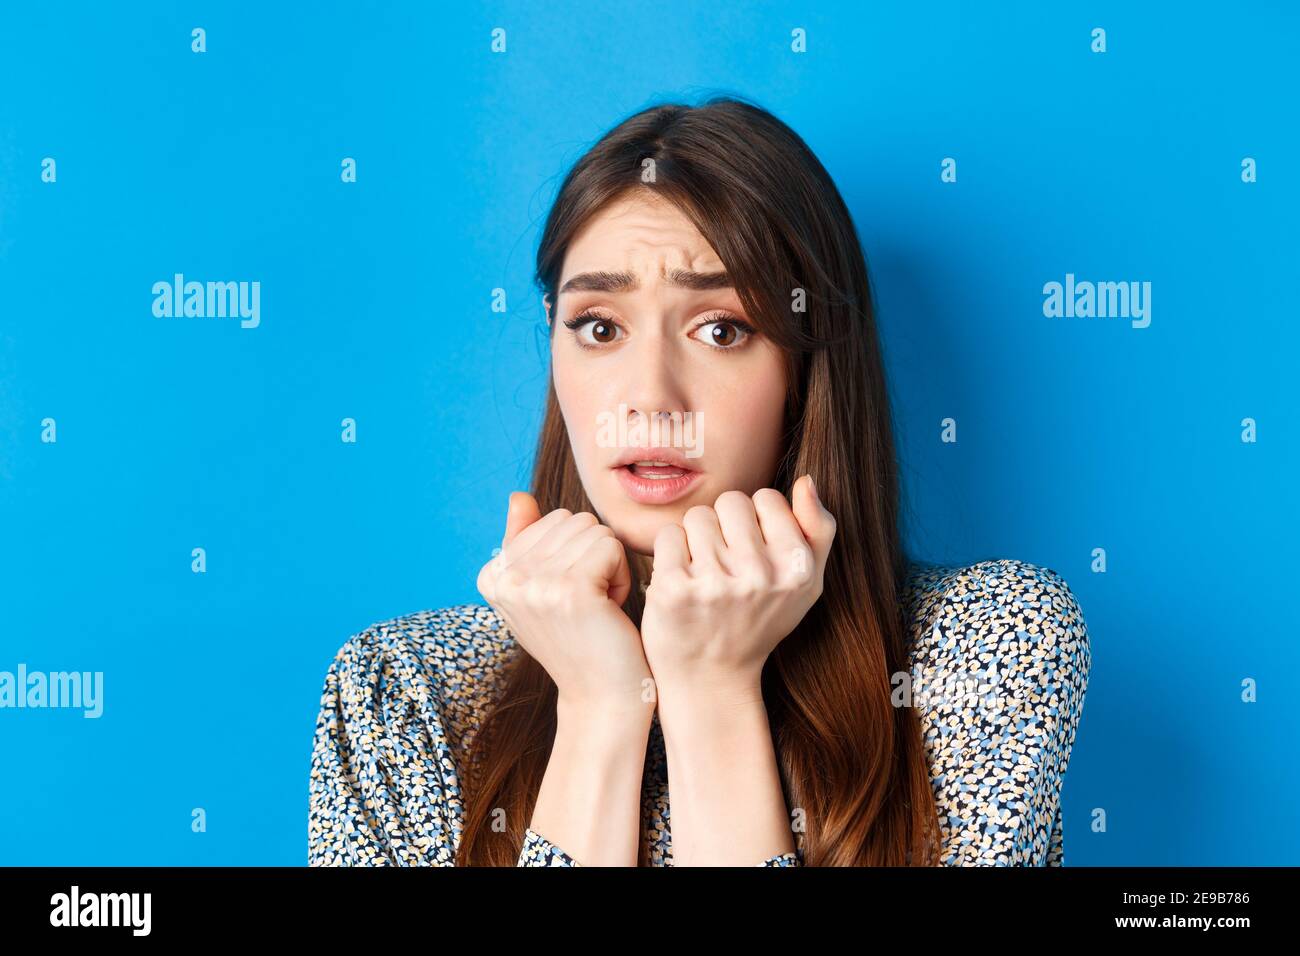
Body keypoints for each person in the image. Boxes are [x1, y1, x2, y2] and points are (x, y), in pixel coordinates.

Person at [307, 96, 1091, 867]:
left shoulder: (983, 648)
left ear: (805, 372)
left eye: (721, 329)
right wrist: (598, 709)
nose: (649, 397)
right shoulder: (401, 694)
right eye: (600, 327)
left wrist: (713, 690)